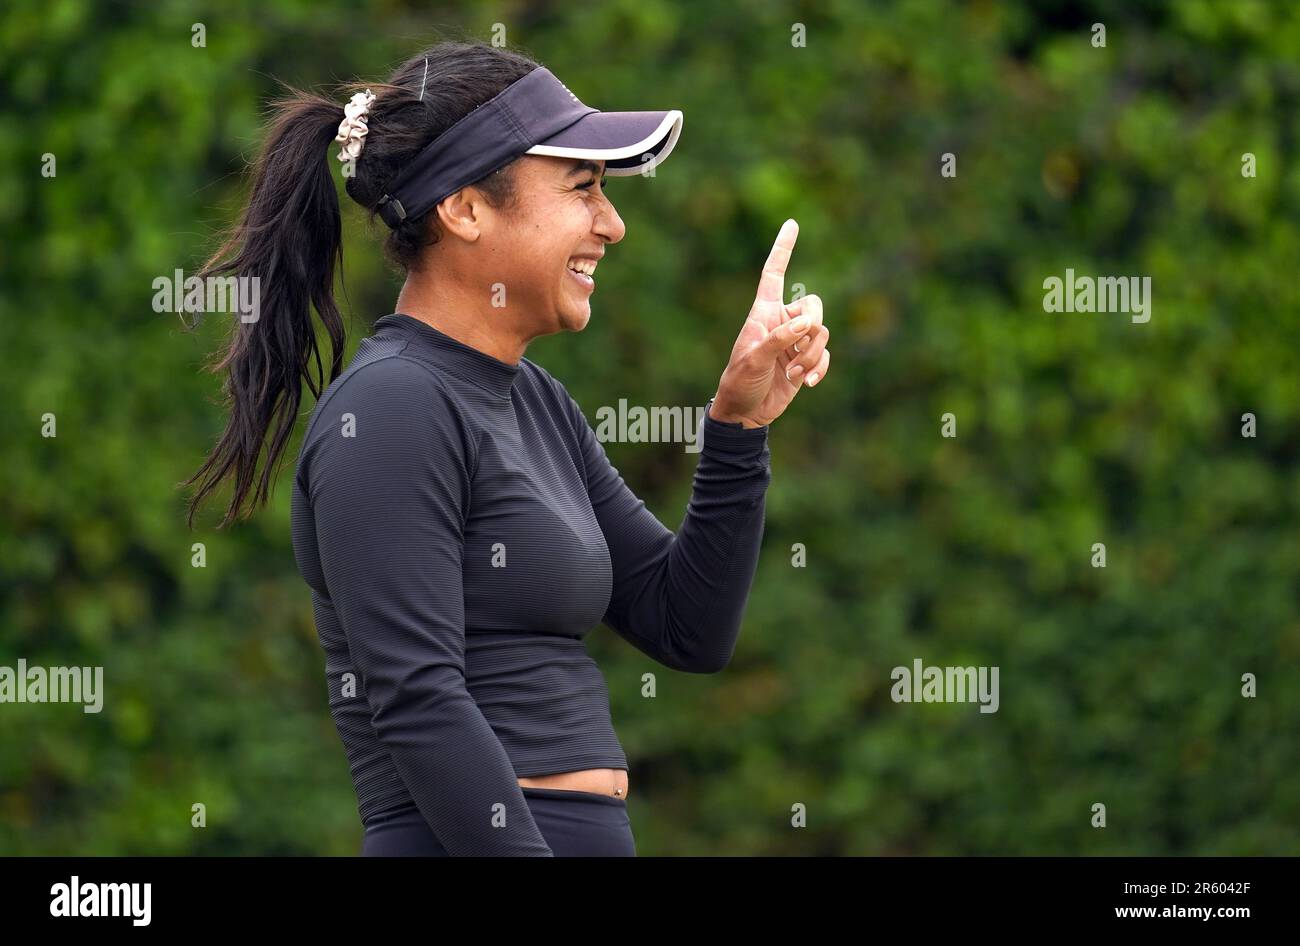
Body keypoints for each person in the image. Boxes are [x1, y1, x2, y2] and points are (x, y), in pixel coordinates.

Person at [184, 39, 831, 856]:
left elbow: (686, 625)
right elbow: (419, 701)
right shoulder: (390, 407)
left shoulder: (533, 401)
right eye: (582, 187)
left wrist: (739, 425)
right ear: (464, 208)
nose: (614, 223)